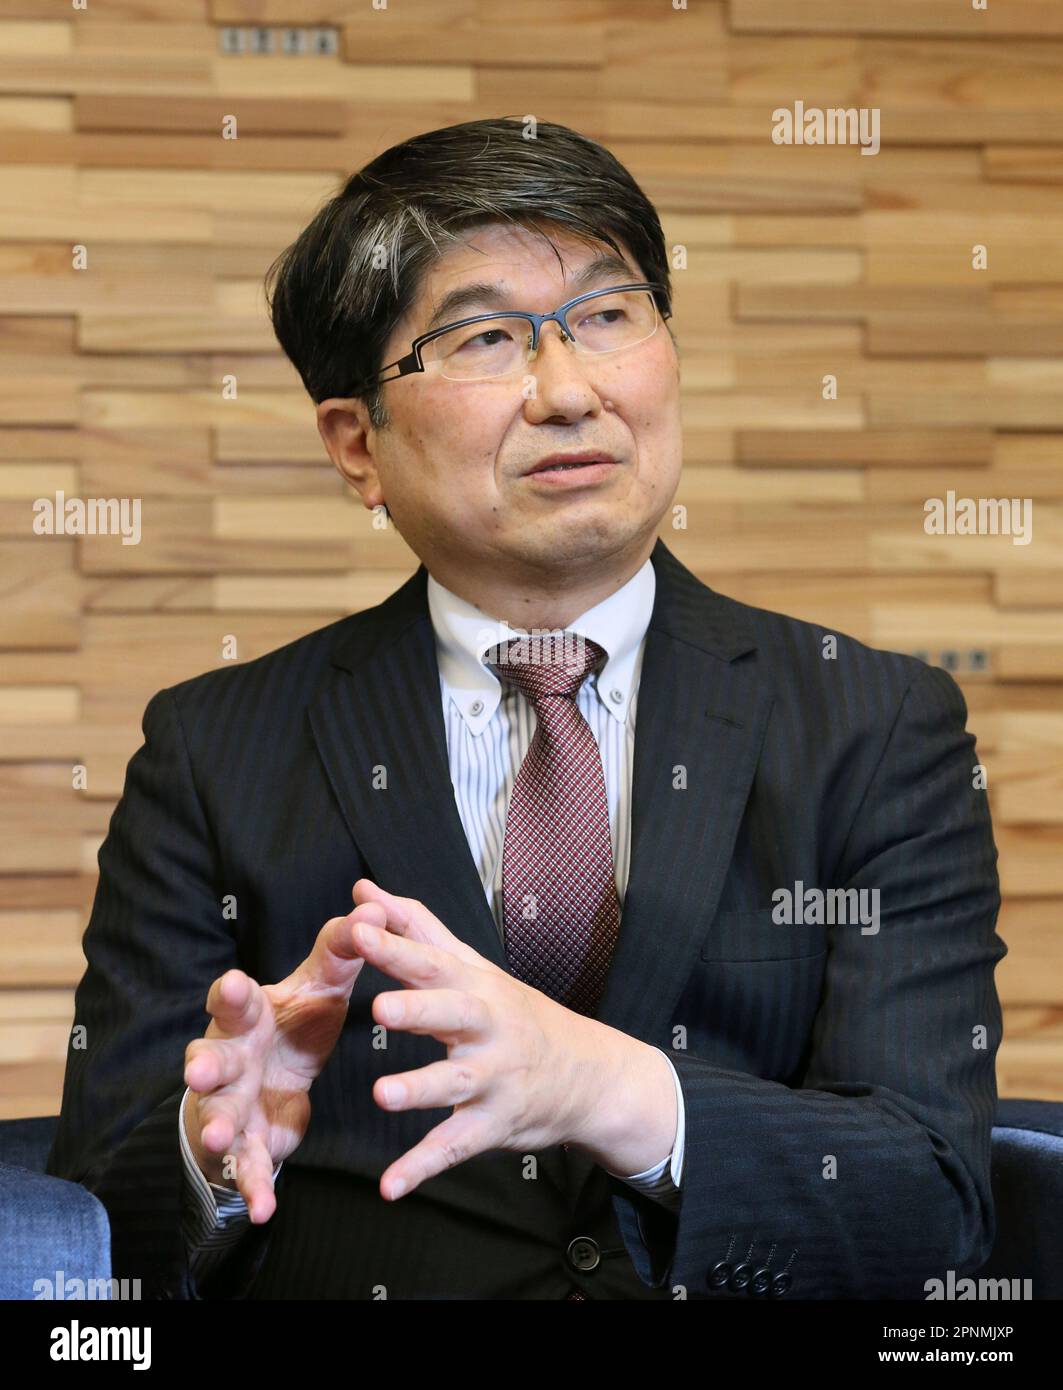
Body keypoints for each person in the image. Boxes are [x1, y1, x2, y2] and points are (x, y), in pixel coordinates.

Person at [47, 116, 1006, 1301]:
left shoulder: (873, 724)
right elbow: (82, 1227)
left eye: (609, 315)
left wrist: (604, 1087)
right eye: (485, 336)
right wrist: (209, 1158)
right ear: (357, 445)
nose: (570, 389)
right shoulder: (214, 748)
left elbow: (935, 1201)